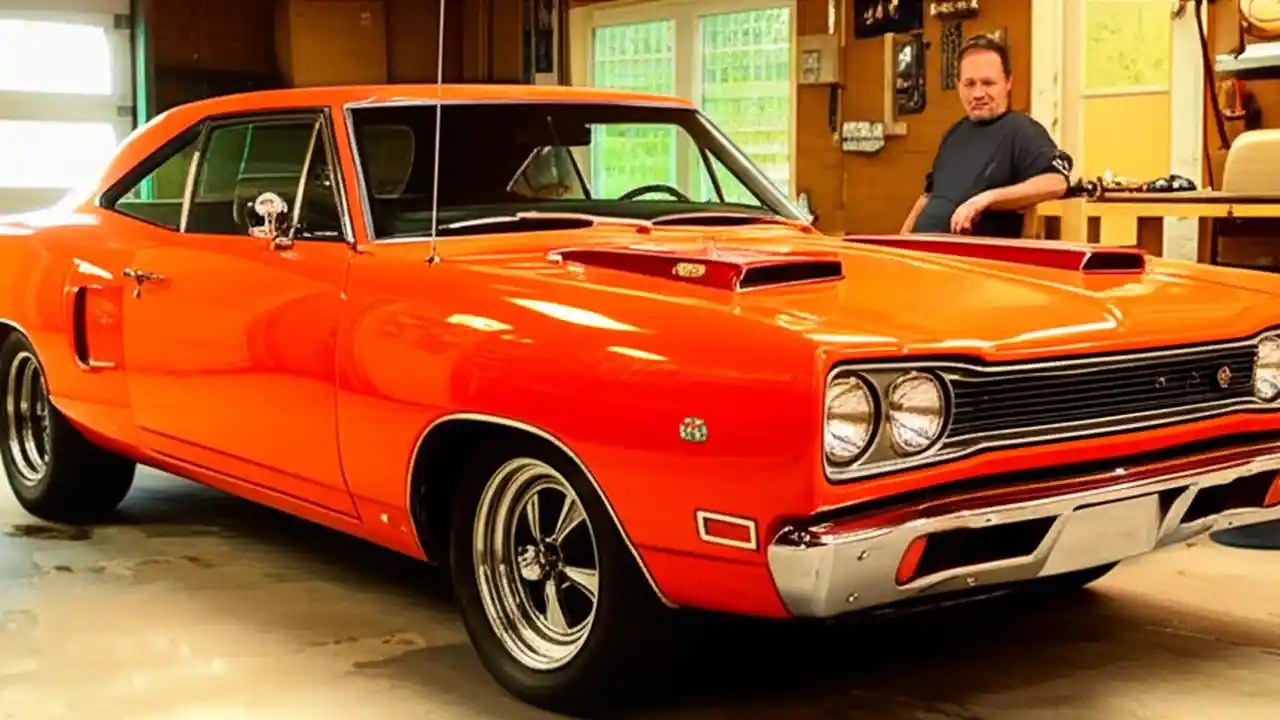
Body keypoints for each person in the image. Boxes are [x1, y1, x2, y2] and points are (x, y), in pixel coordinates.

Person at [901, 34, 1073, 238]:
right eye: (969, 84)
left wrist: (984, 200)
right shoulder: (953, 134)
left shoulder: (1020, 129)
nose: (977, 94)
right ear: (958, 86)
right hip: (921, 254)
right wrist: (902, 239)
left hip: (967, 260)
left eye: (988, 83)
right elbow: (928, 197)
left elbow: (1056, 183)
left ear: (1008, 82)